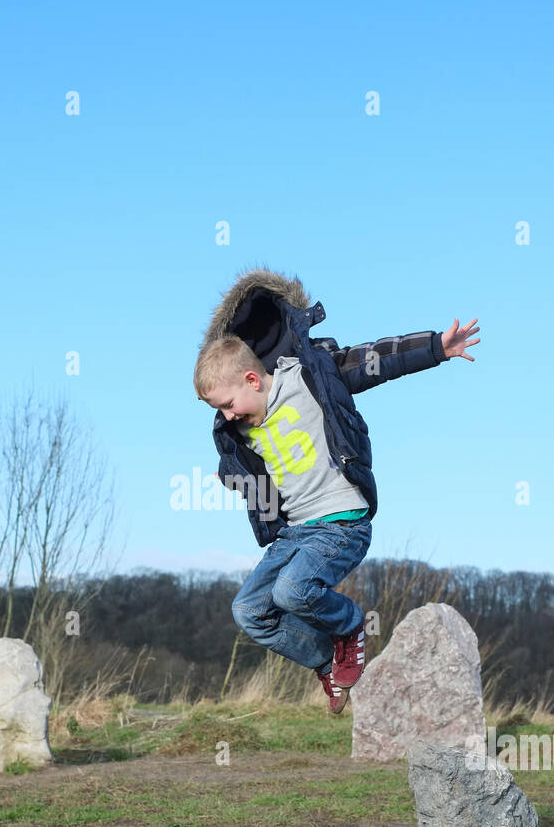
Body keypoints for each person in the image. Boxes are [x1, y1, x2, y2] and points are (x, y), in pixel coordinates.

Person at [194, 267, 479, 713]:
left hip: (341, 523)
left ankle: (348, 627)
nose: (227, 416)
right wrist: (232, 476)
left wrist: (434, 348)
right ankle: (326, 660)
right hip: (294, 534)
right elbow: (254, 475)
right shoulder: (241, 432)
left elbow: (374, 360)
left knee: (291, 592)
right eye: (219, 410)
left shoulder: (311, 377)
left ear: (252, 379)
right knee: (249, 611)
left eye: (228, 405)